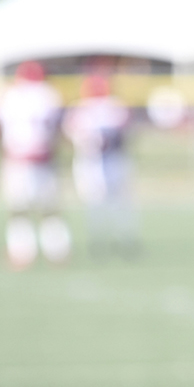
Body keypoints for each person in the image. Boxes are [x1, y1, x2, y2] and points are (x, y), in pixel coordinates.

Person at [0, 61, 71, 269]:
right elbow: (57, 129)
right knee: (50, 210)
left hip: (17, 160)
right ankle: (57, 250)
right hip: (43, 159)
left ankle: (22, 252)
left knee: (19, 211)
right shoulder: (49, 94)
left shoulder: (9, 95)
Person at [64, 74, 138, 258]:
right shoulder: (85, 109)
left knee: (115, 202)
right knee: (99, 202)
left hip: (110, 159)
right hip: (93, 161)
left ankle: (120, 239)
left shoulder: (111, 107)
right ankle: (107, 240)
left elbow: (123, 131)